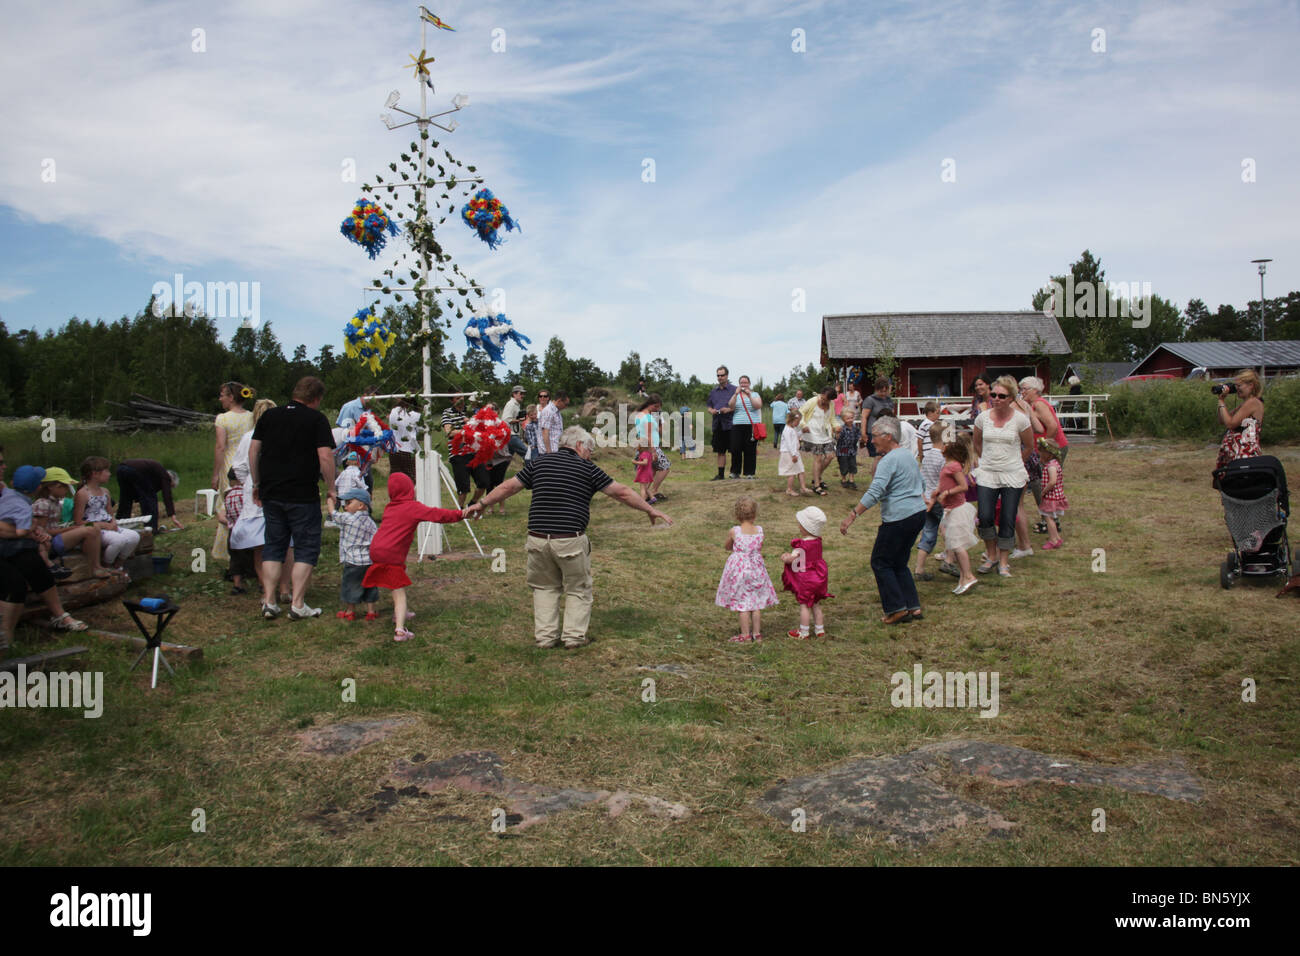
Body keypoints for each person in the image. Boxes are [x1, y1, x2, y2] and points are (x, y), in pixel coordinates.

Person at [465, 426, 672, 649]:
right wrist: (649, 509)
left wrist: (482, 504)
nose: (590, 454)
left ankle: (545, 638)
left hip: (537, 538)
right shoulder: (588, 468)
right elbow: (621, 492)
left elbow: (509, 486)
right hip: (569, 539)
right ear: (580, 446)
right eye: (589, 449)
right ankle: (573, 637)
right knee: (578, 588)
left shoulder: (539, 463)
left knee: (544, 588)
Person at [248, 376, 337, 621]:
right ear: (316, 398)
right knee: (306, 547)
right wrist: (331, 488)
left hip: (271, 492)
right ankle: (297, 602)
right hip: (302, 494)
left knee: (274, 546)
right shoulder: (316, 419)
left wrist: (256, 483)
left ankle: (269, 600)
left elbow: (254, 450)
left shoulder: (269, 416)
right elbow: (326, 457)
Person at [840, 416, 928, 625]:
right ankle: (912, 606)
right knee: (899, 562)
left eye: (875, 436)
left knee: (880, 562)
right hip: (917, 514)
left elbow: (875, 491)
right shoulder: (907, 455)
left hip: (899, 517)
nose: (871, 440)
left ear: (888, 437)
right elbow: (922, 483)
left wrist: (853, 514)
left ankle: (896, 609)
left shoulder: (889, 460)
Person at [1, 464, 89, 646]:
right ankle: (5, 636)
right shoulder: (19, 500)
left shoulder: (5, 490)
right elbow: (17, 529)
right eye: (0, 462)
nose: (4, 465)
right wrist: (30, 529)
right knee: (15, 582)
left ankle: (59, 615)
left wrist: (33, 531)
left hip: (8, 543)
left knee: (32, 562)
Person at [229, 399, 293, 602]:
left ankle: (268, 590)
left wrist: (250, 479)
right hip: (279, 486)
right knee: (282, 540)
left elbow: (238, 467)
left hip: (255, 491)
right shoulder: (283, 435)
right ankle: (284, 588)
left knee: (260, 546)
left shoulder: (249, 437)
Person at [971, 375, 1035, 578]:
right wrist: (987, 461)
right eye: (994, 395)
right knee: (985, 515)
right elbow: (977, 443)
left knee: (1008, 517)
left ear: (1010, 398)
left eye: (1001, 396)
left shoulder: (1020, 419)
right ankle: (991, 555)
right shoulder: (982, 418)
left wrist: (1014, 462)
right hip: (988, 473)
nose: (996, 398)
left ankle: (1004, 561)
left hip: (1012, 475)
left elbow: (1030, 446)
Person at [30, 468, 117, 580]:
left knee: (93, 526)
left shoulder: (55, 502)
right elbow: (42, 532)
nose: (67, 489)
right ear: (51, 487)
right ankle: (95, 567)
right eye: (64, 486)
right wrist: (70, 529)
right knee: (89, 530)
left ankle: (97, 564)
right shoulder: (43, 504)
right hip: (50, 543)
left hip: (58, 537)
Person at [715, 495, 778, 643]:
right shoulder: (760, 530)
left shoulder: (735, 531)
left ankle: (745, 635)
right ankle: (757, 633)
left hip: (740, 570)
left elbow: (727, 547)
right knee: (755, 603)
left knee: (742, 603)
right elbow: (758, 546)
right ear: (755, 514)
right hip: (756, 569)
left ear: (737, 515)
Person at [75, 457, 141, 569]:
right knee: (118, 540)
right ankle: (107, 565)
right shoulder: (82, 494)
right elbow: (78, 522)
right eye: (106, 471)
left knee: (134, 536)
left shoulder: (105, 492)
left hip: (109, 526)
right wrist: (101, 525)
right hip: (94, 529)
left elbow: (110, 513)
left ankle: (119, 564)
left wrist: (113, 522)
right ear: (95, 474)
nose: (109, 474)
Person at [781, 505, 832, 640]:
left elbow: (792, 559)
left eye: (800, 524)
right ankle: (819, 629)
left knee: (804, 605)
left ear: (805, 527)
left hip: (806, 580)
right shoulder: (818, 542)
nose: (798, 526)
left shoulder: (800, 545)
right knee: (816, 604)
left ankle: (803, 632)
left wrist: (785, 558)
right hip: (819, 578)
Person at [936, 437, 979, 595]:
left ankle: (968, 575)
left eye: (944, 444)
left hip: (957, 510)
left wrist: (947, 492)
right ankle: (962, 577)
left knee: (957, 544)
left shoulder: (954, 466)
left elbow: (964, 486)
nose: (942, 446)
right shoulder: (948, 465)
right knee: (952, 542)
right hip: (949, 509)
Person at [331, 487, 380, 623]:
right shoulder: (370, 522)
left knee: (351, 585)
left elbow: (334, 515)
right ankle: (371, 611)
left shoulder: (348, 518)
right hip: (369, 560)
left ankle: (350, 611)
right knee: (370, 584)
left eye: (348, 503)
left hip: (353, 561)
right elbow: (376, 537)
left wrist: (330, 503)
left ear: (360, 505)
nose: (345, 507)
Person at [914, 420, 949, 582]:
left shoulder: (927, 456)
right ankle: (950, 561)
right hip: (938, 500)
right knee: (950, 530)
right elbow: (944, 479)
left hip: (926, 500)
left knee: (928, 533)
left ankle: (919, 569)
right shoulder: (943, 458)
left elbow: (921, 478)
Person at [1214, 369, 1265, 476]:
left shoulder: (1253, 402)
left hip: (1245, 455)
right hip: (1236, 454)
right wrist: (1221, 400)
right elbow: (1221, 420)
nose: (1236, 389)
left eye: (1239, 386)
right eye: (1235, 386)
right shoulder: (1244, 405)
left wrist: (1222, 402)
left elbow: (1230, 424)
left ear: (1250, 385)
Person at [116, 459, 182, 533]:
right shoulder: (165, 475)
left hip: (120, 469)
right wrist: (172, 514)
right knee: (151, 499)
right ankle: (151, 528)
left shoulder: (153, 474)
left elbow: (142, 490)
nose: (167, 486)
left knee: (126, 498)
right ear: (171, 479)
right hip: (133, 470)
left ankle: (119, 526)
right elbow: (167, 495)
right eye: (170, 486)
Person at [218, 467, 254, 594]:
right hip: (247, 529)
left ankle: (237, 585)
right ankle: (261, 583)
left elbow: (226, 513)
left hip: (233, 531)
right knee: (254, 555)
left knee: (235, 559)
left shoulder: (227, 495)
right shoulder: (246, 493)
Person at [800, 386, 839, 496]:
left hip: (825, 434)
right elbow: (800, 413)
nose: (823, 400)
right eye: (822, 397)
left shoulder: (831, 404)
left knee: (830, 456)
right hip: (812, 433)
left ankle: (816, 477)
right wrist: (803, 425)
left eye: (825, 399)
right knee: (818, 457)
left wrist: (836, 426)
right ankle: (816, 485)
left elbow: (832, 419)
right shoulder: (812, 402)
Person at [634, 394, 671, 503]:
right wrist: (653, 451)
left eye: (658, 407)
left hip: (643, 446)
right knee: (665, 467)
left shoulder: (639, 415)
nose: (657, 409)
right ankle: (653, 491)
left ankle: (645, 495)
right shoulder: (648, 417)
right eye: (655, 406)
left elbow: (640, 433)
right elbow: (649, 435)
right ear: (649, 404)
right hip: (651, 446)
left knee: (651, 470)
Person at [725, 375, 763, 479]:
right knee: (735, 448)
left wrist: (750, 396)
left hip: (751, 425)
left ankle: (749, 473)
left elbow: (758, 406)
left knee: (750, 449)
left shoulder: (755, 394)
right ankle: (735, 472)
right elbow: (731, 406)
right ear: (739, 384)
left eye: (745, 382)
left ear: (749, 384)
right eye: (741, 383)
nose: (743, 384)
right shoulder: (736, 395)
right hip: (737, 424)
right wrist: (735, 394)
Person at [707, 366, 738, 481]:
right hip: (718, 424)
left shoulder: (734, 390)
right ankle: (720, 475)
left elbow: (739, 406)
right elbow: (709, 406)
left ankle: (734, 473)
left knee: (734, 450)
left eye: (722, 375)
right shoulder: (713, 391)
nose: (720, 377)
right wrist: (711, 411)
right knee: (720, 451)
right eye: (718, 375)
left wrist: (729, 409)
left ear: (727, 376)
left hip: (731, 423)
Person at [1037, 438, 1068, 550]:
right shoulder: (1055, 463)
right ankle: (1057, 538)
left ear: (1048, 454)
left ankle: (1053, 540)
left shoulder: (1051, 466)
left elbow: (1053, 481)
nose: (1039, 454)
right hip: (1056, 495)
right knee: (1051, 518)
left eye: (1041, 452)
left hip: (1051, 496)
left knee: (1048, 518)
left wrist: (1044, 491)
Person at [859, 378, 895, 459]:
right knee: (877, 457)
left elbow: (892, 416)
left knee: (887, 456)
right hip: (873, 433)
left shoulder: (889, 401)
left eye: (885, 391)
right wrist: (863, 434)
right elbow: (864, 417)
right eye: (881, 391)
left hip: (886, 432)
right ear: (876, 389)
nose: (883, 393)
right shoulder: (870, 400)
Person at [779, 409, 812, 496]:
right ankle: (789, 489)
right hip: (789, 453)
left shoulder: (792, 429)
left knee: (801, 470)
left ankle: (803, 488)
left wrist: (802, 432)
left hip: (795, 453)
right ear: (791, 420)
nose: (798, 423)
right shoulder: (787, 430)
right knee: (791, 472)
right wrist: (793, 455)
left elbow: (795, 436)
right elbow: (789, 444)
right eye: (797, 421)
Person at [388, 396, 421, 483]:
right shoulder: (416, 415)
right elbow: (422, 430)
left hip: (394, 450)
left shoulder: (394, 411)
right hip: (408, 450)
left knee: (395, 479)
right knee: (410, 479)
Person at [501, 385, 529, 460]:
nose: (523, 395)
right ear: (514, 394)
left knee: (506, 459)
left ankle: (496, 471)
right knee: (527, 454)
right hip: (511, 435)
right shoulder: (511, 404)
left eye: (523, 394)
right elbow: (506, 419)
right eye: (521, 393)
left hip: (511, 435)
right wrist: (519, 420)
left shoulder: (516, 404)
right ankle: (531, 471)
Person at [835, 408, 861, 489]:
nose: (850, 420)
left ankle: (851, 480)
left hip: (852, 450)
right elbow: (837, 438)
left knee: (852, 465)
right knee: (844, 465)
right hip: (843, 450)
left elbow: (858, 435)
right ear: (843, 419)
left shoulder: (855, 428)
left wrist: (860, 438)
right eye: (848, 418)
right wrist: (837, 433)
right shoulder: (842, 429)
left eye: (851, 418)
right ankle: (843, 479)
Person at [537, 390, 568, 456]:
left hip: (554, 451)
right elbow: (545, 432)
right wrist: (549, 453)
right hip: (547, 453)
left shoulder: (556, 411)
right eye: (566, 404)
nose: (566, 407)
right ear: (559, 401)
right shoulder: (548, 411)